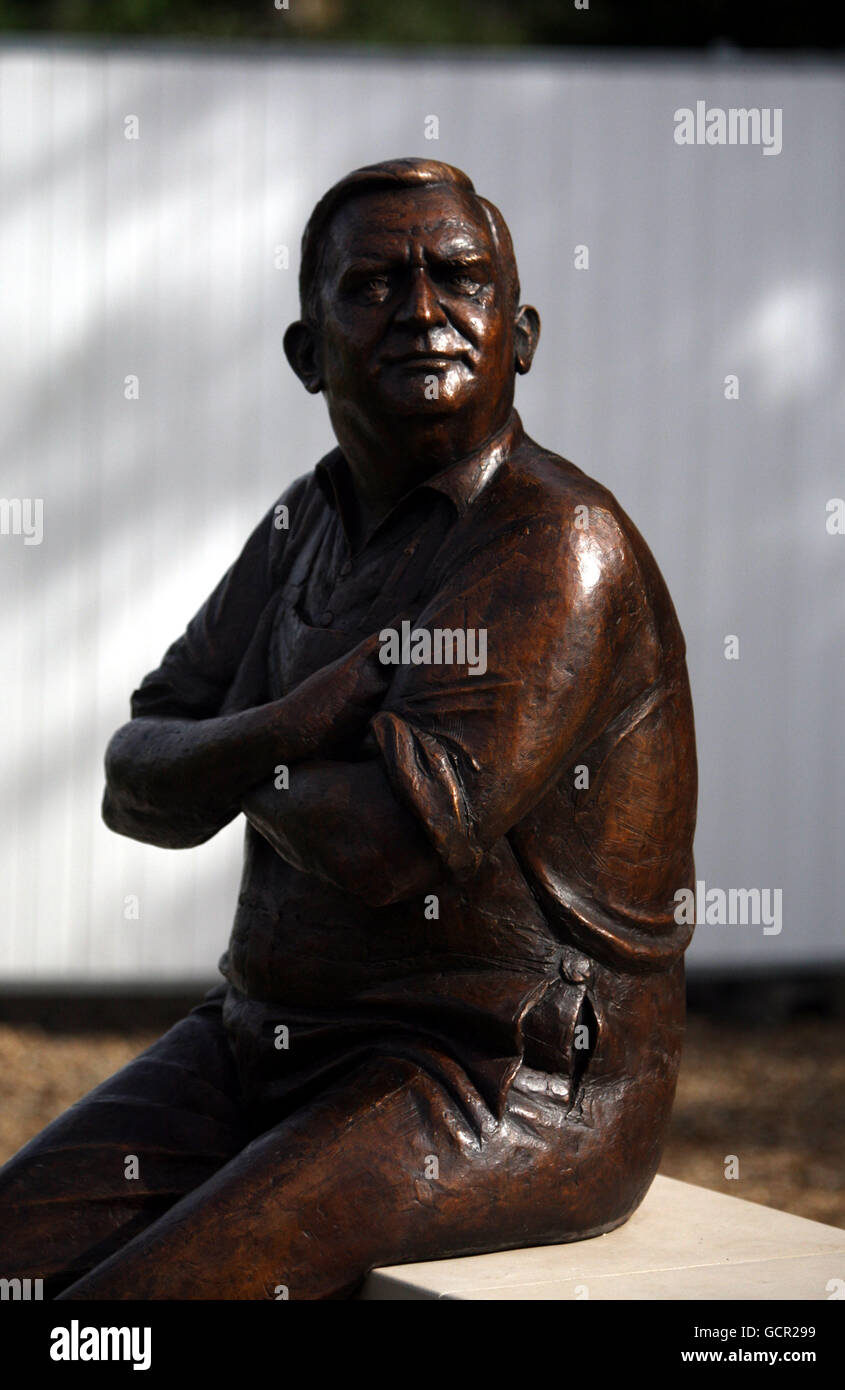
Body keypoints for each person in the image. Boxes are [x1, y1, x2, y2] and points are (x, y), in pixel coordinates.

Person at [0, 158, 698, 1300]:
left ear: (518, 335)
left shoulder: (554, 544)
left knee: (120, 1321)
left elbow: (383, 846)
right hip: (263, 1042)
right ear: (305, 352)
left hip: (494, 1080)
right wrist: (295, 721)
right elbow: (132, 782)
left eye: (457, 280)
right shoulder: (303, 523)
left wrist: (229, 756)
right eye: (373, 285)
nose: (422, 311)